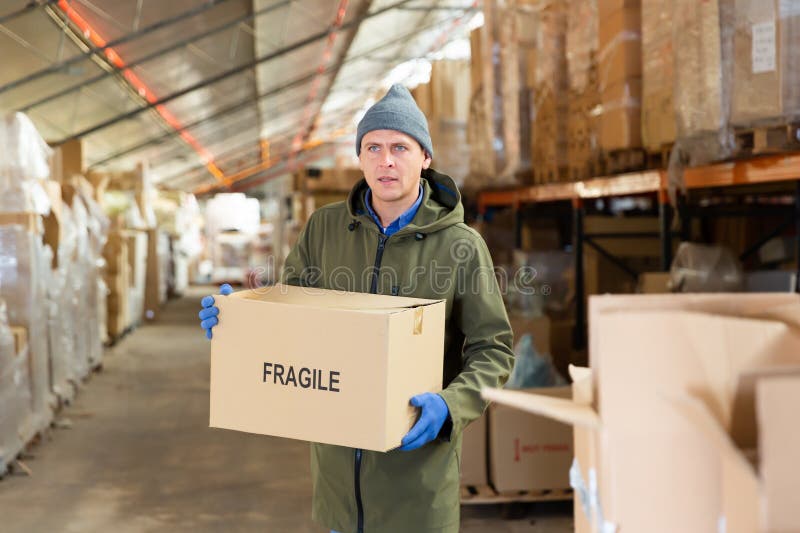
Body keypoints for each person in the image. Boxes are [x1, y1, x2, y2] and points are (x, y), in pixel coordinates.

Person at [199, 84, 514, 533]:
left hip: (417, 488)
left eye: (400, 148)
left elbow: (494, 350)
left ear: (425, 158)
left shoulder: (462, 247)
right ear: (360, 157)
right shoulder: (325, 228)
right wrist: (241, 322)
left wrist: (450, 406)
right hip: (337, 489)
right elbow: (290, 319)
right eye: (373, 147)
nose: (386, 160)